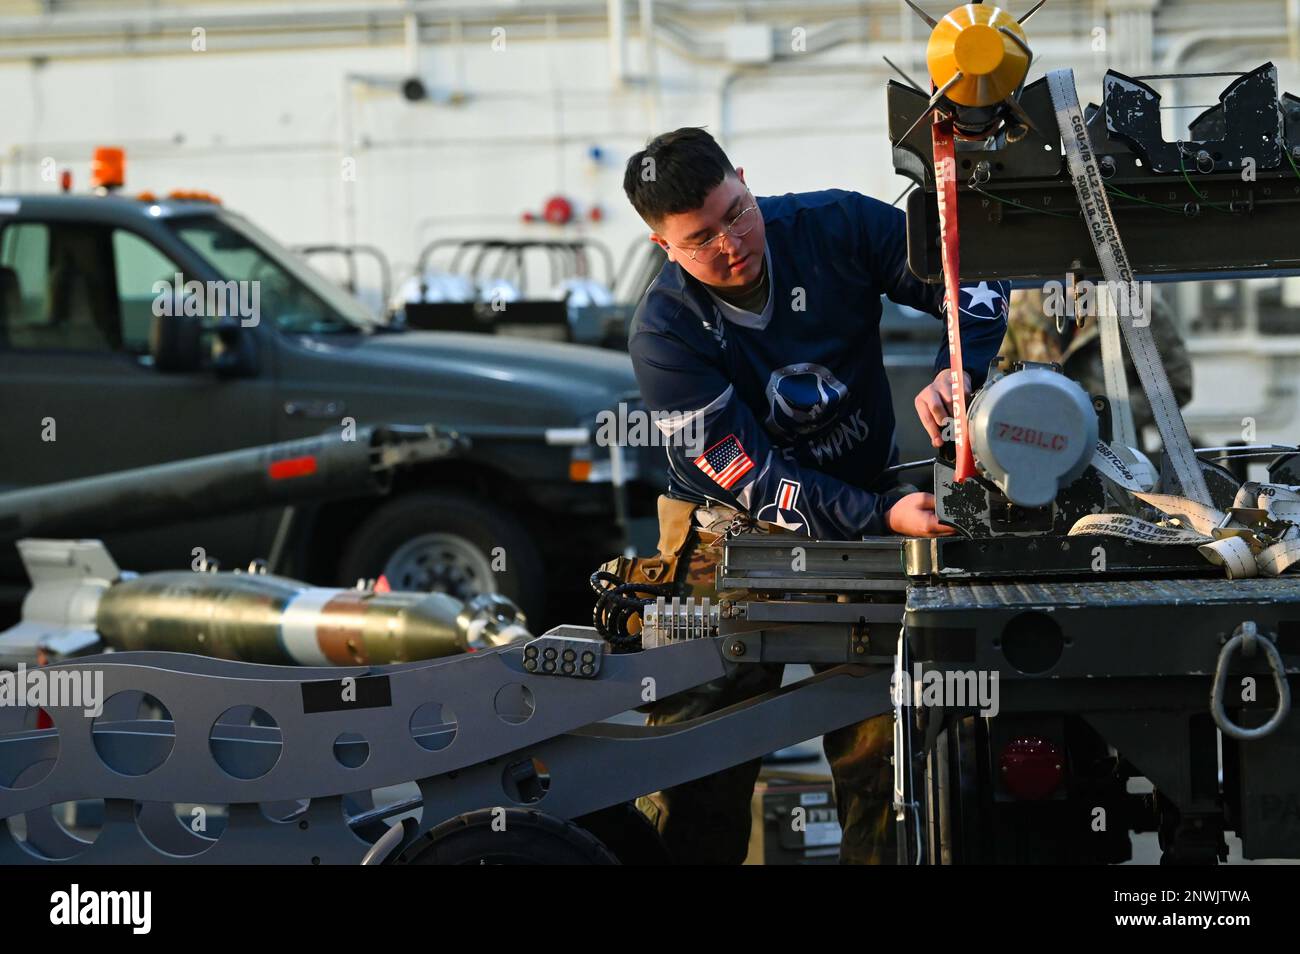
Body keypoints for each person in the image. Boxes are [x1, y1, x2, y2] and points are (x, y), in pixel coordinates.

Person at [620, 127, 1008, 864]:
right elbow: (758, 482)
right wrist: (879, 516)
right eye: (701, 239)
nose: (732, 242)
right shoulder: (665, 332)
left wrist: (959, 372)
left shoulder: (836, 227)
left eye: (737, 211)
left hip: (867, 510)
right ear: (662, 246)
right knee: (697, 759)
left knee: (888, 751)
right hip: (723, 535)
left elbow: (976, 278)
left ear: (743, 177)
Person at [999, 286, 1193, 447]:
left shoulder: (1135, 304)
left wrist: (1110, 416)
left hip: (1117, 456)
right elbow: (999, 381)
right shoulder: (1022, 307)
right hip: (1039, 448)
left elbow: (1175, 384)